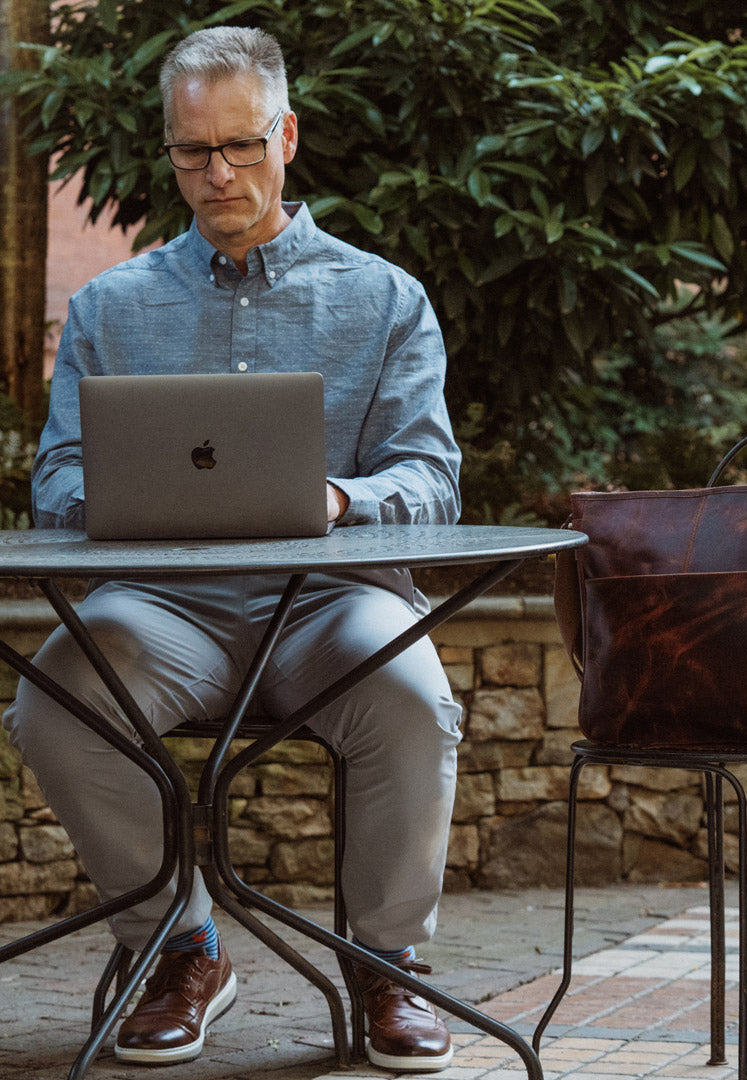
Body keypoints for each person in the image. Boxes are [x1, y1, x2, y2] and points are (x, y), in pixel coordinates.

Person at [3, 25, 462, 1073]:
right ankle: (183, 943)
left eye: (242, 147)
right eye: (191, 152)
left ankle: (383, 960)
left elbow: (432, 479)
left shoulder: (386, 301)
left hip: (332, 599)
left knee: (410, 696)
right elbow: (57, 483)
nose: (217, 175)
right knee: (52, 703)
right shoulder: (112, 309)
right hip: (164, 607)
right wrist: (124, 499)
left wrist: (343, 497)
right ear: (167, 150)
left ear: (288, 135)